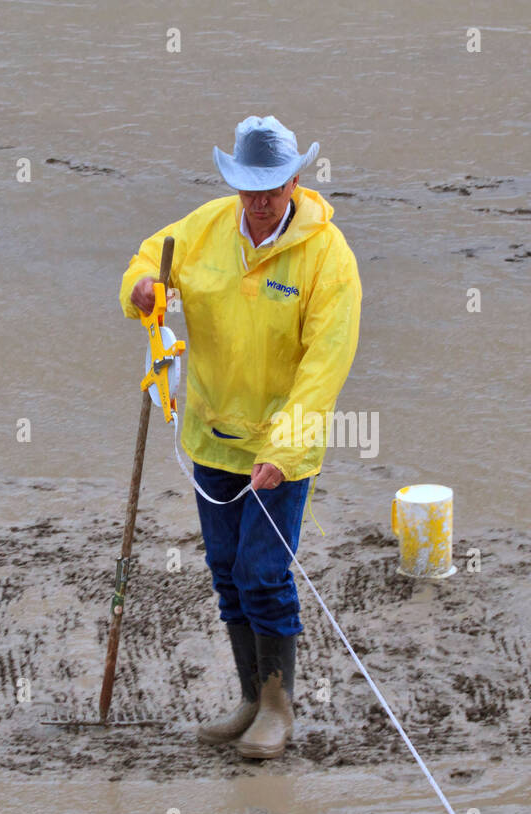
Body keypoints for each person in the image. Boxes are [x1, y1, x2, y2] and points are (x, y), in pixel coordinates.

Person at [119, 116, 362, 759]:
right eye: (247, 188)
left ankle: (279, 710)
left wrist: (283, 450)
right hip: (211, 434)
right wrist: (142, 289)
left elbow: (325, 364)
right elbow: (148, 262)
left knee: (263, 571)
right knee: (226, 572)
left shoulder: (328, 257)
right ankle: (251, 698)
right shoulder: (202, 229)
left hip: (282, 445)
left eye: (271, 187)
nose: (258, 202)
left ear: (294, 181)